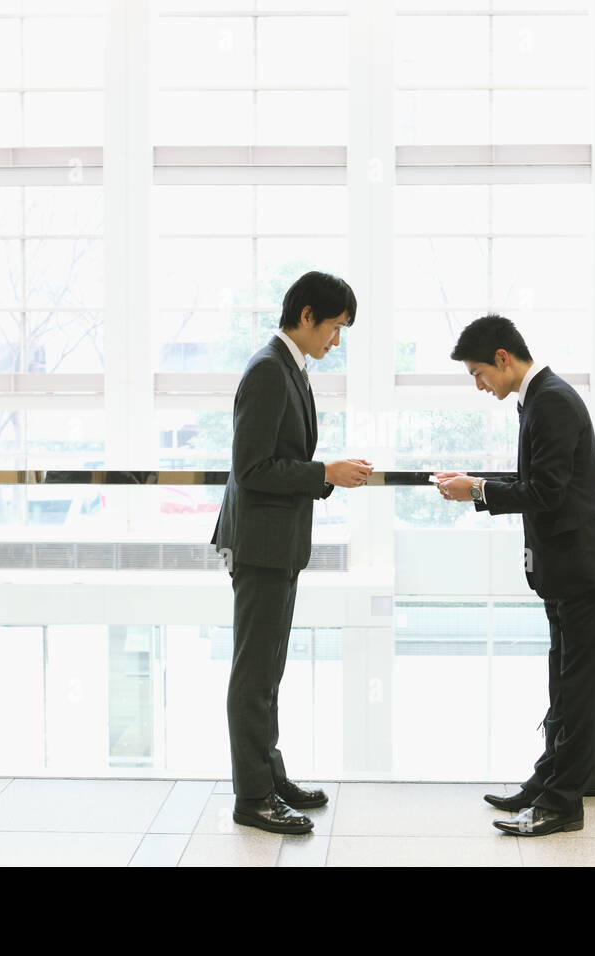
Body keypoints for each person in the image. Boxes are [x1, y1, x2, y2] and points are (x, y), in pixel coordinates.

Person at [434, 315, 595, 837]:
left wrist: (477, 491)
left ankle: (563, 803)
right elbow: (538, 480)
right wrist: (475, 482)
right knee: (564, 687)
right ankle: (546, 783)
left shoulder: (552, 400)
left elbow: (545, 492)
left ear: (503, 357)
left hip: (589, 569)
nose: (480, 386)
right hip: (567, 571)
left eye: (479, 373)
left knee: (583, 692)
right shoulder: (539, 396)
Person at [211, 270, 373, 834]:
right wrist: (323, 472)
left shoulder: (291, 369)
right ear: (306, 316)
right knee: (254, 674)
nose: (336, 341)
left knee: (268, 671)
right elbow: (252, 470)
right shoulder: (268, 372)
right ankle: (251, 796)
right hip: (259, 546)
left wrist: (321, 474)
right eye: (334, 328)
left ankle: (269, 776)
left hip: (276, 545)